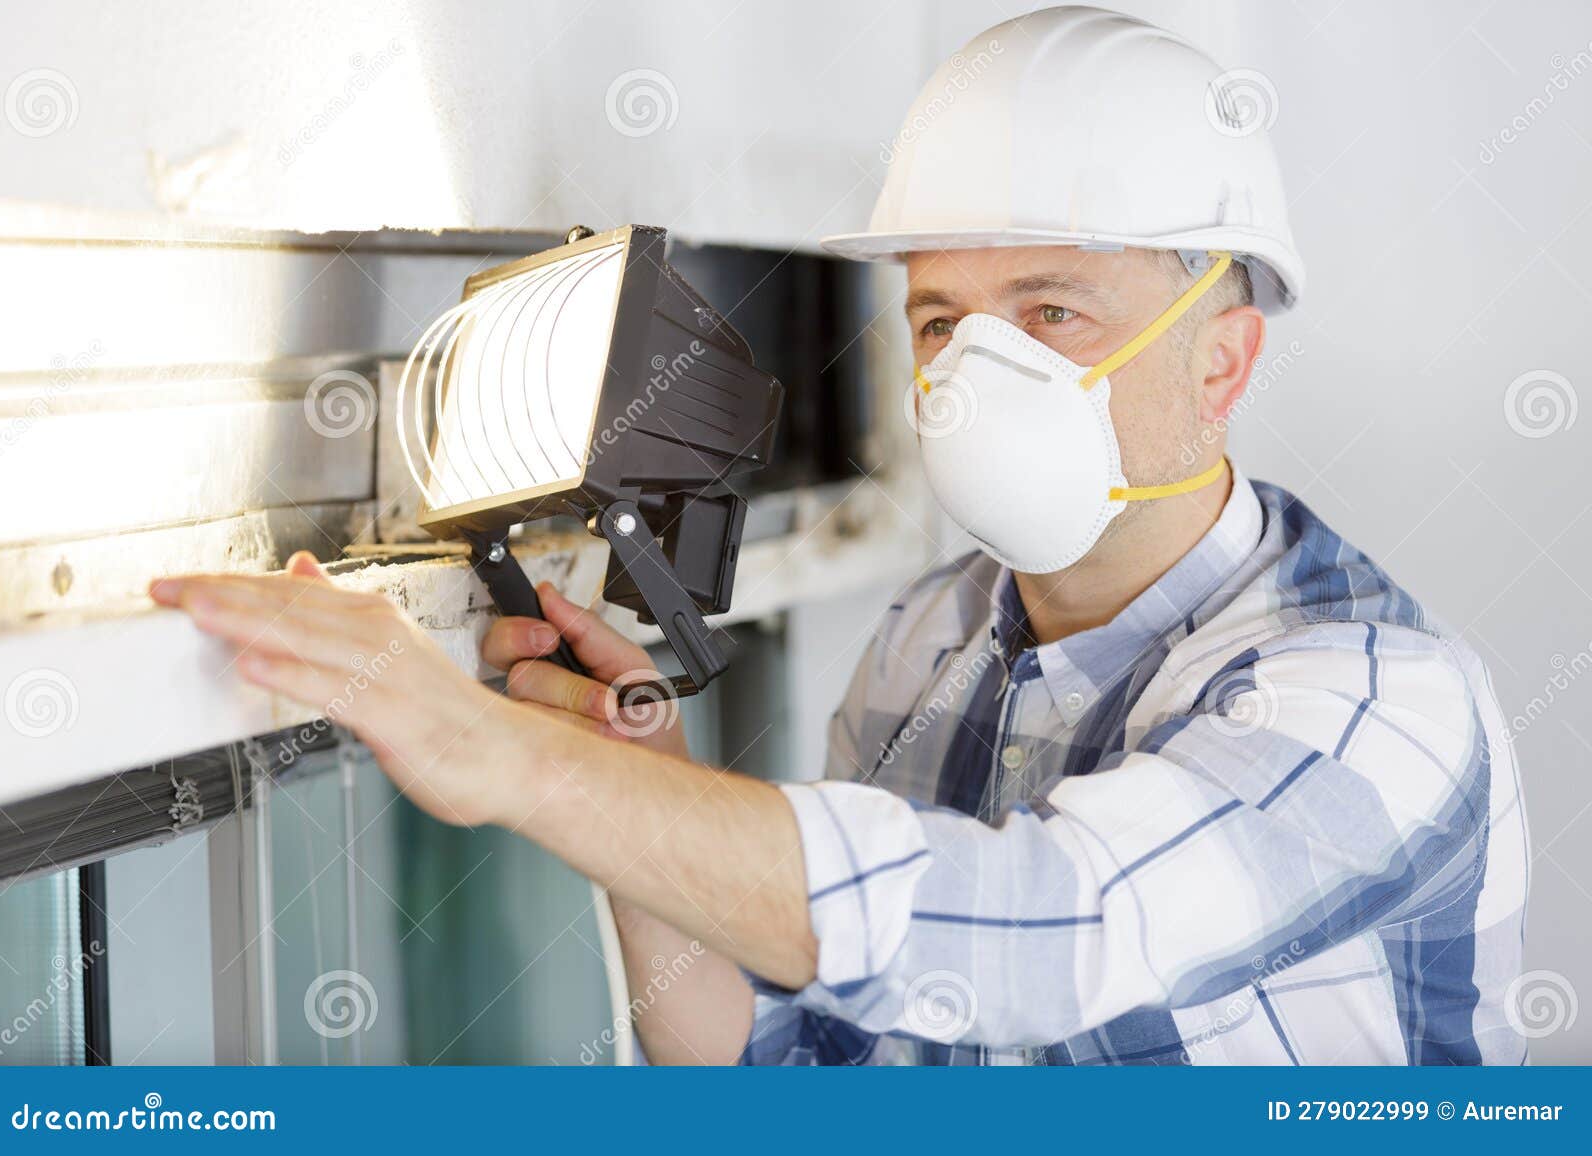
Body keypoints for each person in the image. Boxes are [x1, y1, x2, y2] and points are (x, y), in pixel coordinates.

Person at [150, 6, 1527, 1064]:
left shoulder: (1373, 698)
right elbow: (787, 1069)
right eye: (943, 323)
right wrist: (635, 786)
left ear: (1221, 365)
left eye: (1053, 313)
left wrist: (500, 759)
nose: (981, 372)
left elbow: (1048, 935)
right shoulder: (927, 641)